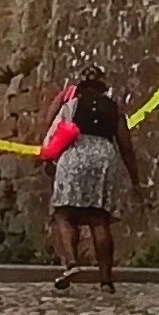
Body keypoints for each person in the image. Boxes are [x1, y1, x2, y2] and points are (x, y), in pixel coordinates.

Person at [42, 66, 144, 291]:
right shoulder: (114, 109)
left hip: (75, 154)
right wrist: (135, 178)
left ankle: (71, 263)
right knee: (99, 219)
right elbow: (126, 146)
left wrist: (48, 159)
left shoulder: (71, 105)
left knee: (64, 213)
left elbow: (53, 130)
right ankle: (106, 280)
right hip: (104, 158)